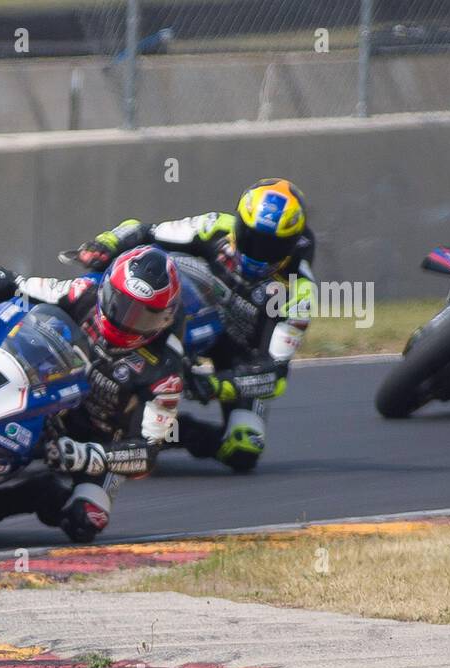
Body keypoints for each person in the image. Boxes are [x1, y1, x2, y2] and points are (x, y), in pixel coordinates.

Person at [0, 245, 185, 542]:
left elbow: (148, 453)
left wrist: (88, 455)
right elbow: (14, 283)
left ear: (165, 319)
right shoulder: (81, 291)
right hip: (42, 398)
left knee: (86, 520)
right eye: (121, 304)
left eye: (143, 316)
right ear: (107, 289)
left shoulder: (166, 370)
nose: (126, 320)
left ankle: (25, 496)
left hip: (98, 444)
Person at [71, 178, 317, 471]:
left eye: (272, 246)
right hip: (186, 315)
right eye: (250, 238)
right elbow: (146, 231)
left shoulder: (300, 291)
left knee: (243, 449)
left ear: (292, 243)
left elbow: (274, 377)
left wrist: (214, 386)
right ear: (239, 223)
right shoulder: (215, 227)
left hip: (238, 357)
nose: (258, 252)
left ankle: (171, 432)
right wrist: (106, 243)